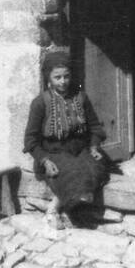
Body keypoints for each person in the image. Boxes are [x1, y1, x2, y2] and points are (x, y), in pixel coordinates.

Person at [24, 48, 107, 229]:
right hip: (52, 152)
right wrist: (44, 161)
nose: (63, 82)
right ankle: (52, 211)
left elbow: (94, 127)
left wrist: (94, 147)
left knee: (97, 168)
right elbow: (30, 141)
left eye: (66, 76)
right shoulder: (40, 103)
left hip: (79, 149)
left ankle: (71, 210)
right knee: (73, 173)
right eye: (57, 77)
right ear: (49, 78)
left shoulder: (80, 98)